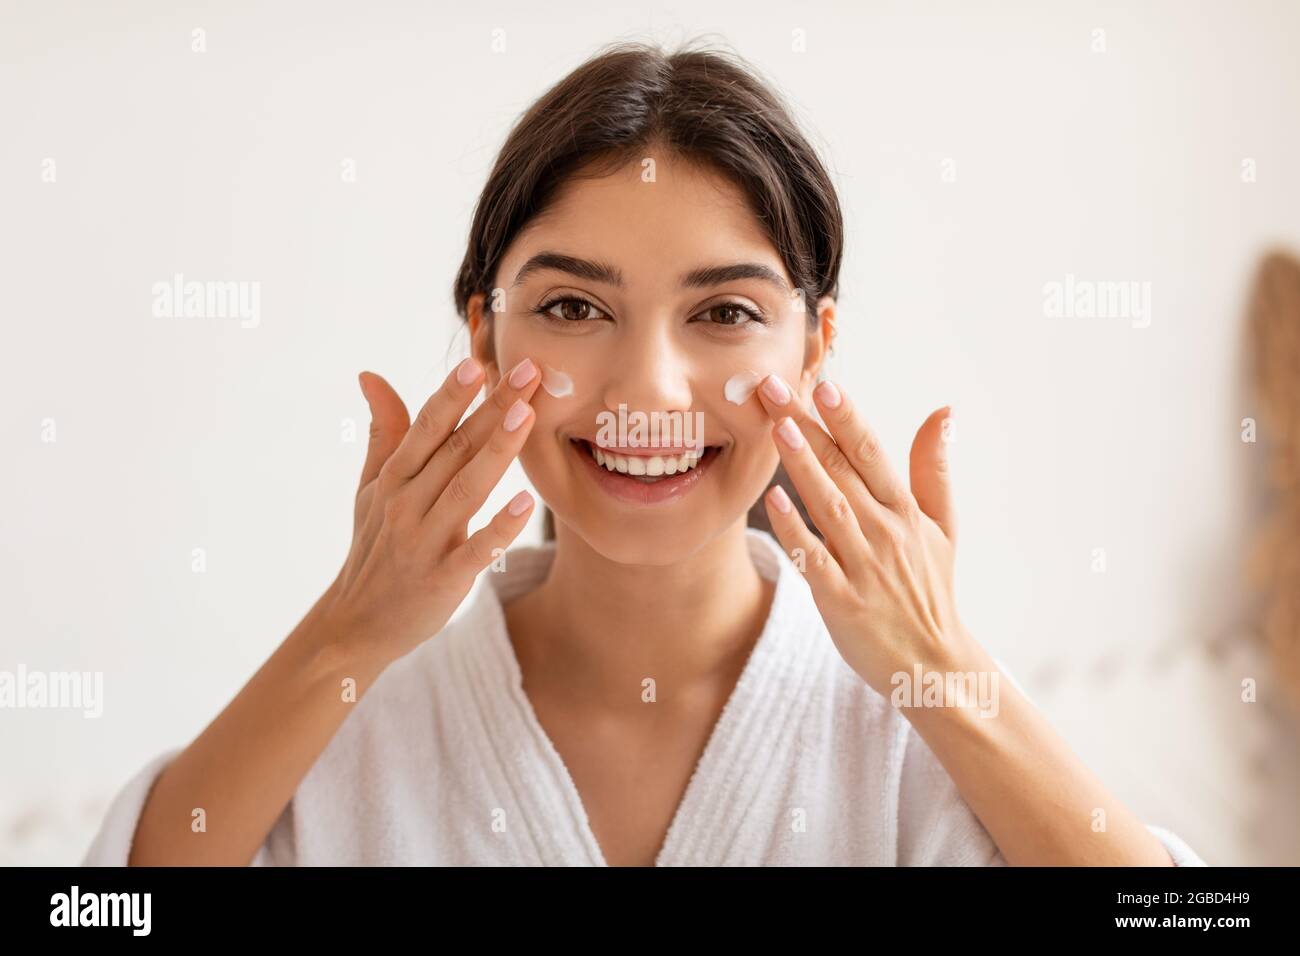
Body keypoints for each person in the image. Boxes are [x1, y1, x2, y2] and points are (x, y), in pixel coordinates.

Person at [83, 40, 1205, 867]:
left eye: (721, 313)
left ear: (814, 349)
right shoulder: (352, 728)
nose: (648, 390)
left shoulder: (914, 733)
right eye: (573, 306)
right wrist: (346, 629)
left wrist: (947, 671)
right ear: (482, 332)